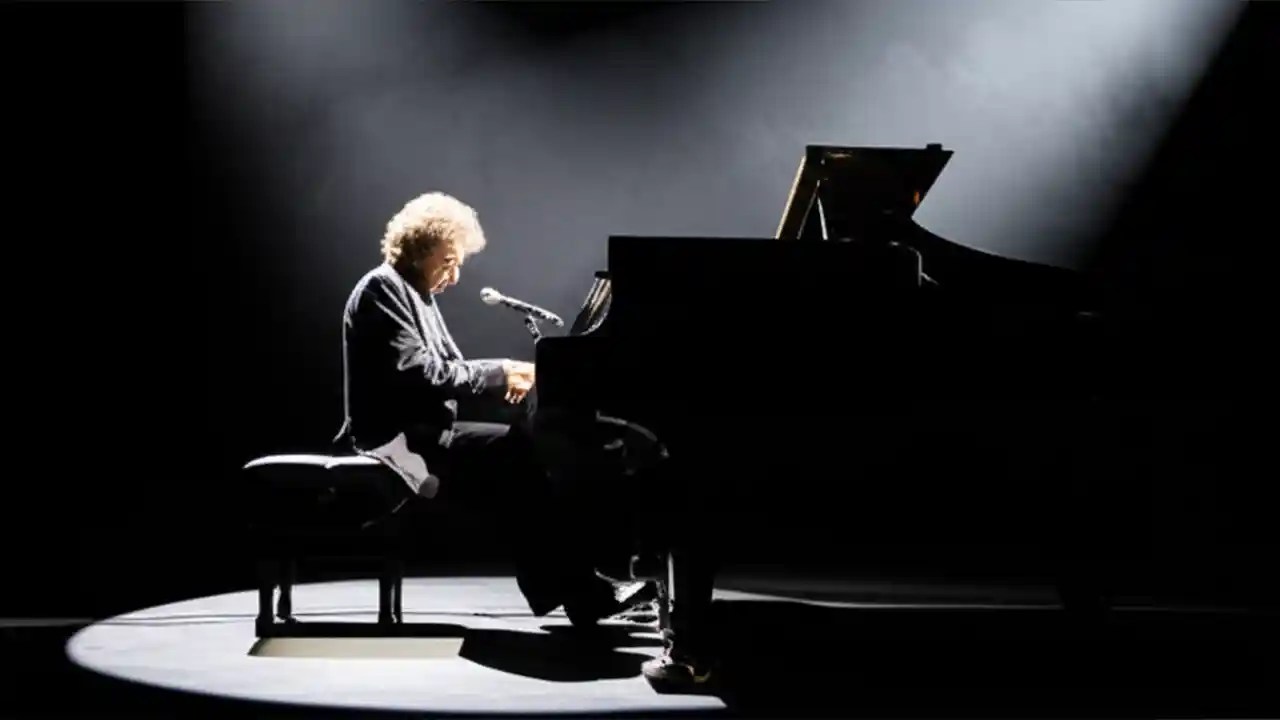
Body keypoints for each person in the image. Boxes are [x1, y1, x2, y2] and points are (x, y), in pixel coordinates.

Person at [333, 191, 645, 623]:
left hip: (424, 432)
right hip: (394, 440)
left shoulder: (413, 293)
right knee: (518, 455)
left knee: (528, 450)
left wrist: (506, 374)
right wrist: (500, 371)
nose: (455, 276)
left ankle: (578, 590)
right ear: (417, 250)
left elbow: (446, 372)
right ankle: (580, 593)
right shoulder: (382, 289)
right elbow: (420, 374)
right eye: (448, 262)